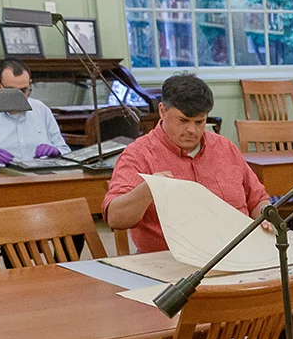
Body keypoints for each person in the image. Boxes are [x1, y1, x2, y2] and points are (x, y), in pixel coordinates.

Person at [104, 73, 270, 253]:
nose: (192, 130)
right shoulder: (138, 155)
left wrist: (266, 215)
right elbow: (115, 218)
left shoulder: (225, 148)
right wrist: (147, 189)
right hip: (170, 260)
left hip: (237, 254)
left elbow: (258, 200)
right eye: (183, 121)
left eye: (199, 122)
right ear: (162, 111)